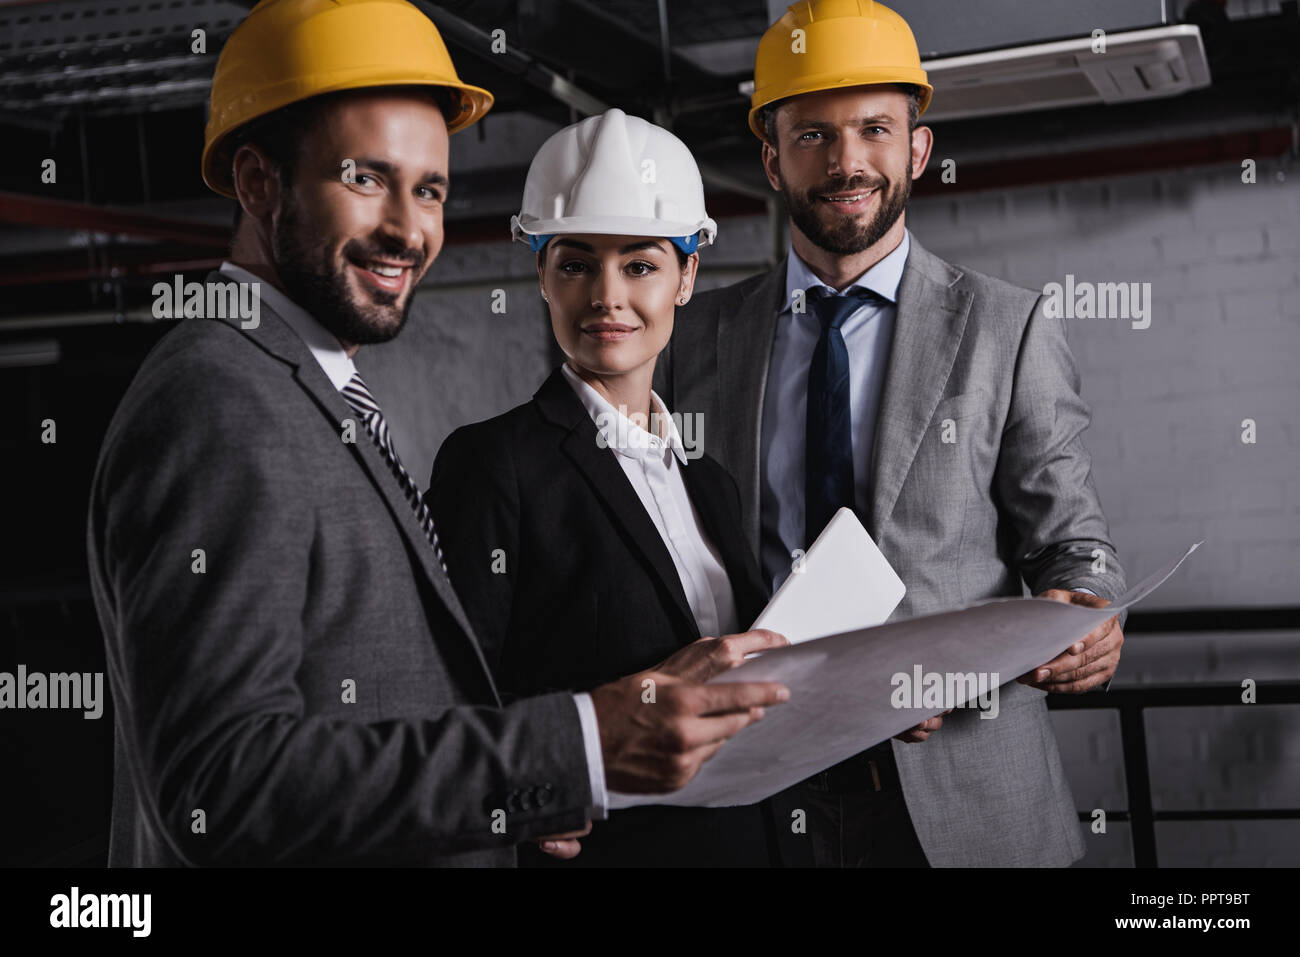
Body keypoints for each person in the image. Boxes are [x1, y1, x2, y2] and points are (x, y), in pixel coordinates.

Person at [86, 0, 787, 867]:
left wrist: (536, 789)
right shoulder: (220, 400)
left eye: (429, 190)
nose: (407, 230)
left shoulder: (312, 394)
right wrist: (576, 747)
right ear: (259, 182)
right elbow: (216, 782)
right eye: (364, 178)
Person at [653, 0, 1127, 868]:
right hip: (767, 794)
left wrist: (1092, 611)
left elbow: (1075, 546)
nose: (846, 161)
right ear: (770, 157)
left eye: (875, 128)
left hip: (967, 800)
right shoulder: (693, 339)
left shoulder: (1006, 328)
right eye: (813, 135)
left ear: (917, 148)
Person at [426, 108, 807, 867]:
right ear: (541, 274)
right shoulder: (491, 462)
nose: (606, 295)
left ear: (687, 276)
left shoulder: (711, 483)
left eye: (639, 265)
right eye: (575, 263)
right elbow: (451, 701)